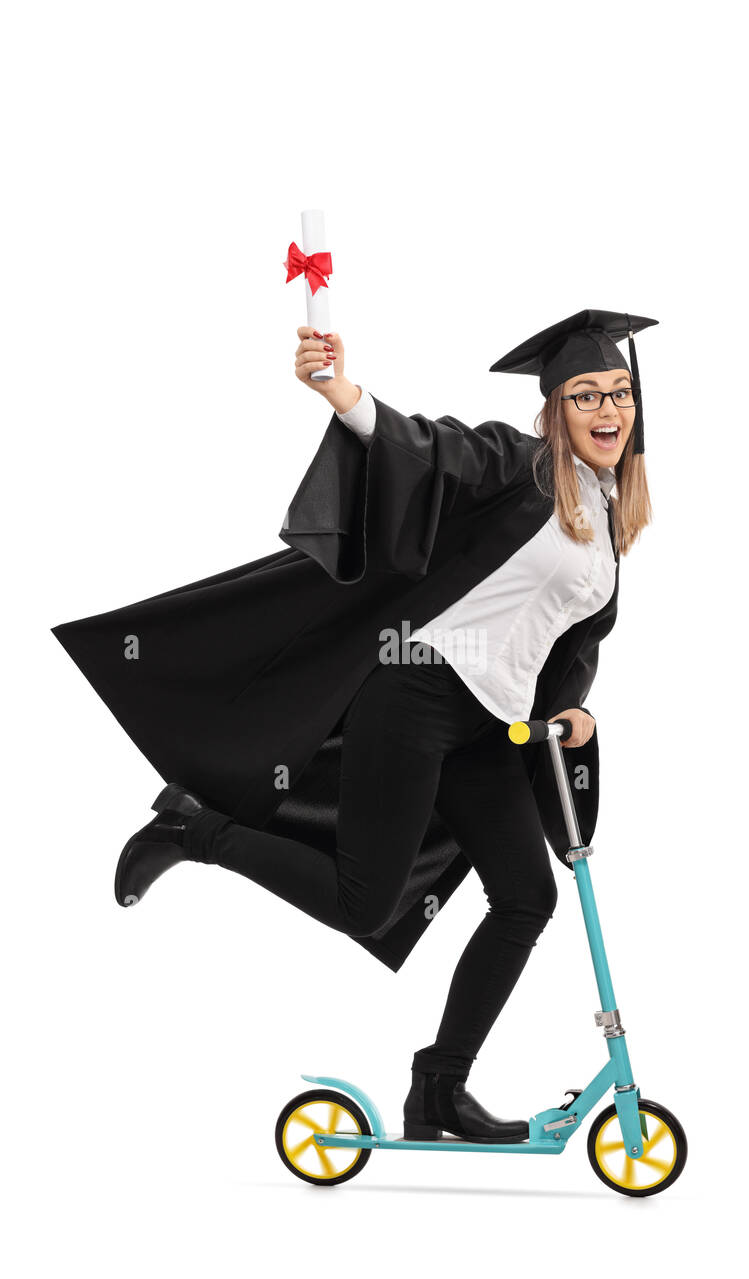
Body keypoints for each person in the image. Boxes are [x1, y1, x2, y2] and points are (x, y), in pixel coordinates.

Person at [51, 308, 656, 1144]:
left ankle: (438, 1089)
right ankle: (197, 830)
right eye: (585, 393)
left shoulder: (607, 517)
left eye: (619, 392)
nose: (607, 409)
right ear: (554, 410)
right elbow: (432, 448)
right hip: (415, 697)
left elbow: (570, 639)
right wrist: (341, 391)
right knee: (364, 904)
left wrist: (570, 708)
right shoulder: (521, 469)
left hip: (492, 727)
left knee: (525, 899)